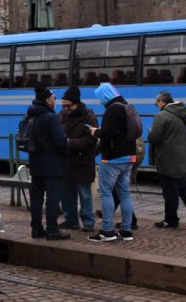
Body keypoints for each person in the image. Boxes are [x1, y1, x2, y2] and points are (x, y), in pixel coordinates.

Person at [148, 91, 186, 230]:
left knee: (170, 191)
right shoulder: (184, 113)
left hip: (168, 159)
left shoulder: (162, 116)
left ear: (162, 101)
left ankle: (171, 220)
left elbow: (153, 138)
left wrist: (150, 131)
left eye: (157, 101)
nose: (155, 104)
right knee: (184, 187)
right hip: (184, 157)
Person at [89, 83, 137, 242]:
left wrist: (95, 131)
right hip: (129, 156)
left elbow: (107, 133)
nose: (100, 101)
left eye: (100, 97)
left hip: (113, 158)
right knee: (124, 193)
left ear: (105, 95)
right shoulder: (125, 105)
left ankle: (107, 231)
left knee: (106, 193)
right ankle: (126, 231)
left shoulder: (112, 110)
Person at [26, 83, 70, 240]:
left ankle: (36, 228)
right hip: (52, 164)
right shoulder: (50, 117)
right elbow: (60, 141)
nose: (55, 100)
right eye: (53, 98)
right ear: (47, 100)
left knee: (36, 198)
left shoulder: (31, 115)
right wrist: (66, 150)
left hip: (36, 163)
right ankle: (52, 230)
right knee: (53, 198)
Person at [58, 86, 98, 232]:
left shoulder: (89, 117)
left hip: (83, 162)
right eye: (63, 106)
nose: (66, 108)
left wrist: (69, 142)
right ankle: (70, 220)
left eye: (69, 106)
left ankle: (88, 222)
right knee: (66, 194)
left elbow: (91, 140)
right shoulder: (61, 115)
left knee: (85, 194)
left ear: (77, 103)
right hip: (66, 162)